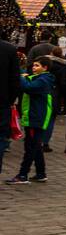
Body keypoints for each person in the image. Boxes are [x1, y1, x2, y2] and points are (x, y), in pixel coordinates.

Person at [5, 56, 54, 185]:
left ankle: (23, 174)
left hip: (36, 118)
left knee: (30, 146)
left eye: (37, 65)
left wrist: (20, 76)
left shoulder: (44, 80)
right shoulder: (40, 78)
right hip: (33, 117)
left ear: (45, 68)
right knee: (36, 145)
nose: (33, 68)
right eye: (33, 65)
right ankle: (40, 173)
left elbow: (28, 87)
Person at [0, 35, 22, 175]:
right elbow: (15, 80)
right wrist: (10, 100)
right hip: (2, 102)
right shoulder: (9, 49)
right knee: (1, 137)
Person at [41, 46, 66, 153]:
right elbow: (63, 83)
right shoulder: (64, 65)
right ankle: (45, 143)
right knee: (51, 119)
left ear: (51, 53)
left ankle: (37, 140)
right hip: (55, 94)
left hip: (42, 91)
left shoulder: (44, 62)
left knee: (41, 116)